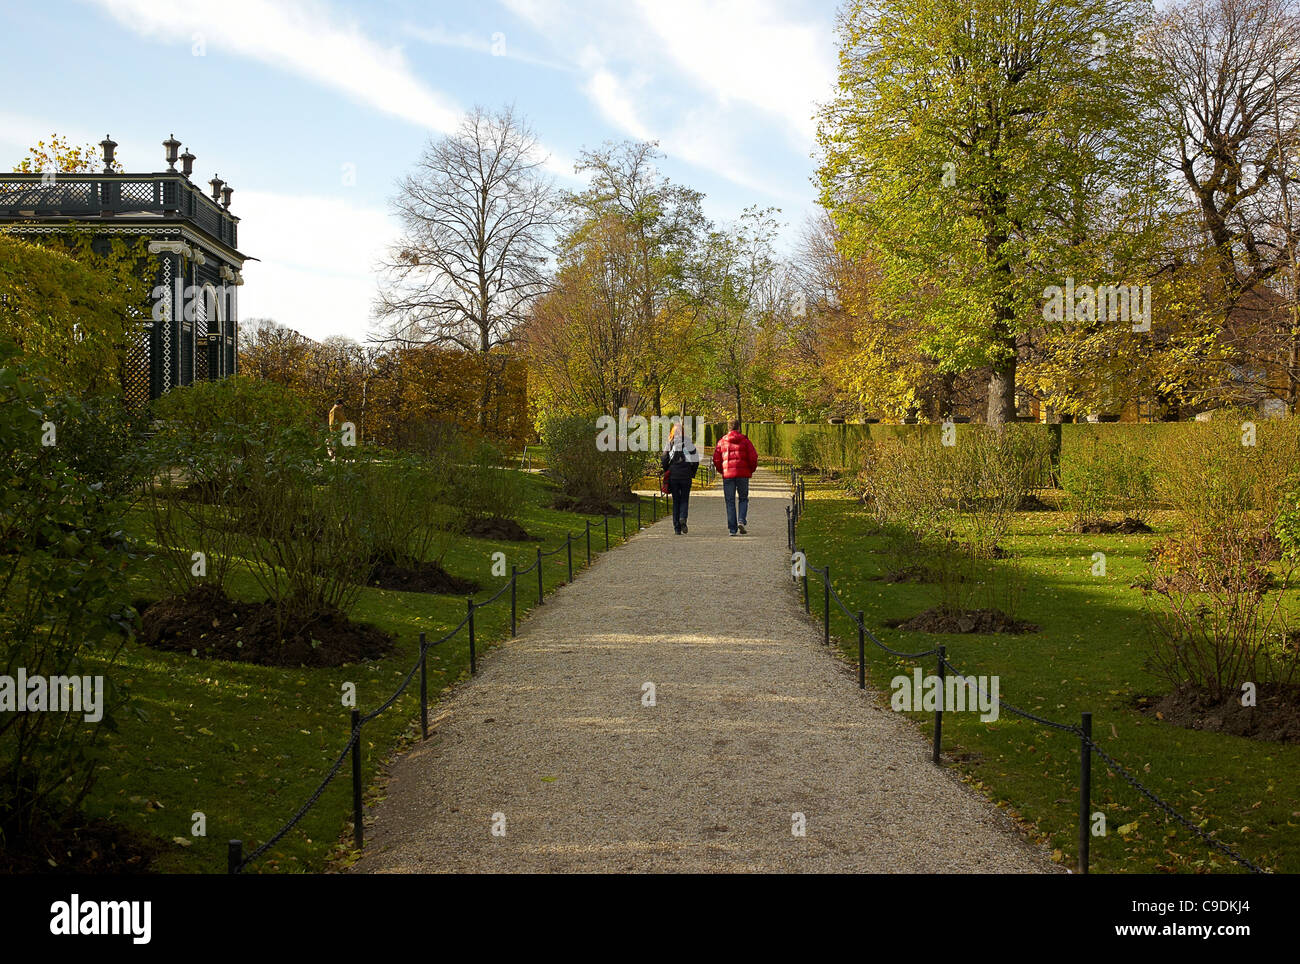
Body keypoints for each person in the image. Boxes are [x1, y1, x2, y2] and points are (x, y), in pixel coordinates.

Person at [712, 418, 758, 536]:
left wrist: (722, 471)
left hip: (728, 475)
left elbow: (716, 458)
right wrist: (750, 470)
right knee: (743, 498)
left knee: (730, 501)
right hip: (743, 474)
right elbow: (753, 457)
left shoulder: (722, 441)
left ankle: (732, 529)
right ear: (738, 427)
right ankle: (741, 520)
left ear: (728, 428)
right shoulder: (746, 441)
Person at [660, 421, 701, 535]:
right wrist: (692, 472)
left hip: (673, 475)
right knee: (684, 499)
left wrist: (667, 469)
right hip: (686, 475)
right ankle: (683, 517)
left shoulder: (669, 443)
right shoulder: (688, 443)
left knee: (676, 501)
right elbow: (696, 460)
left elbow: (664, 458)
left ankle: (677, 528)